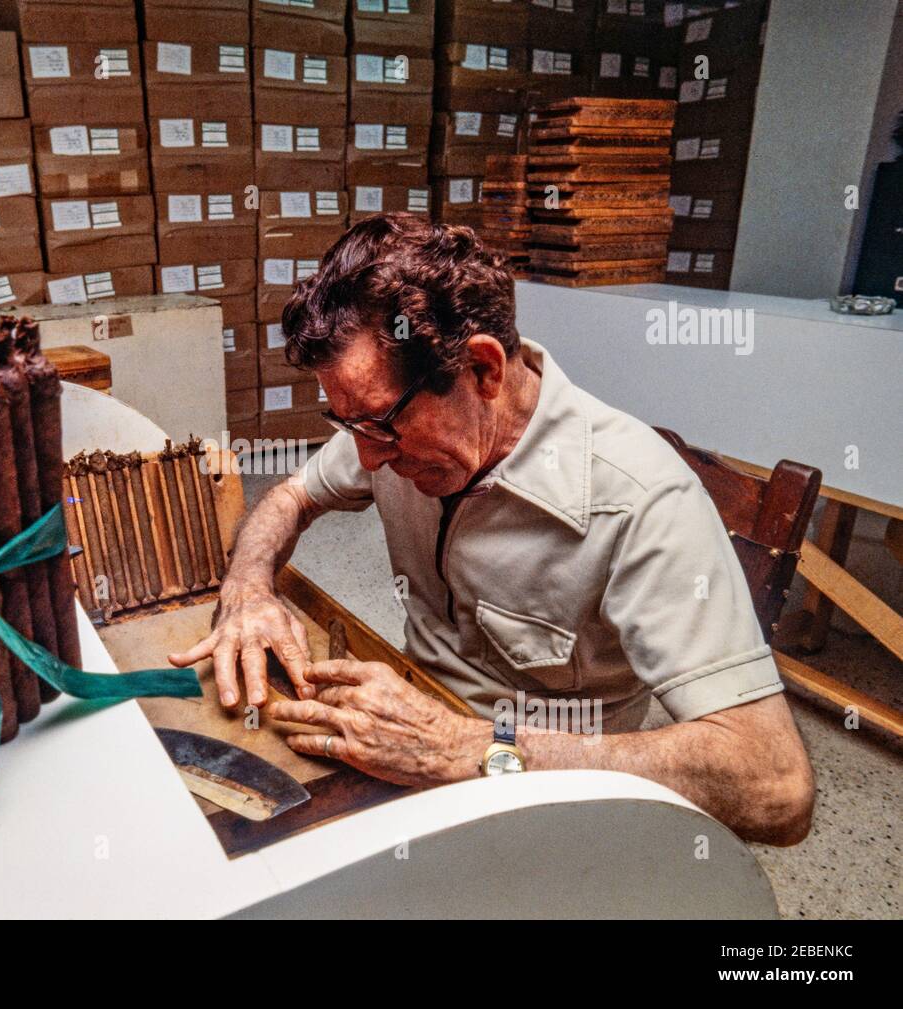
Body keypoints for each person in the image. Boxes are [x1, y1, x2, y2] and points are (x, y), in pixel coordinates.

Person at [168, 214, 814, 845]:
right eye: (350, 427)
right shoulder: (391, 428)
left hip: (550, 805)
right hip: (407, 749)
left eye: (380, 425)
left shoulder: (639, 500)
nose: (367, 459)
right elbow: (289, 496)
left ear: (483, 371)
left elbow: (774, 782)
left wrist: (468, 747)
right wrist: (251, 584)